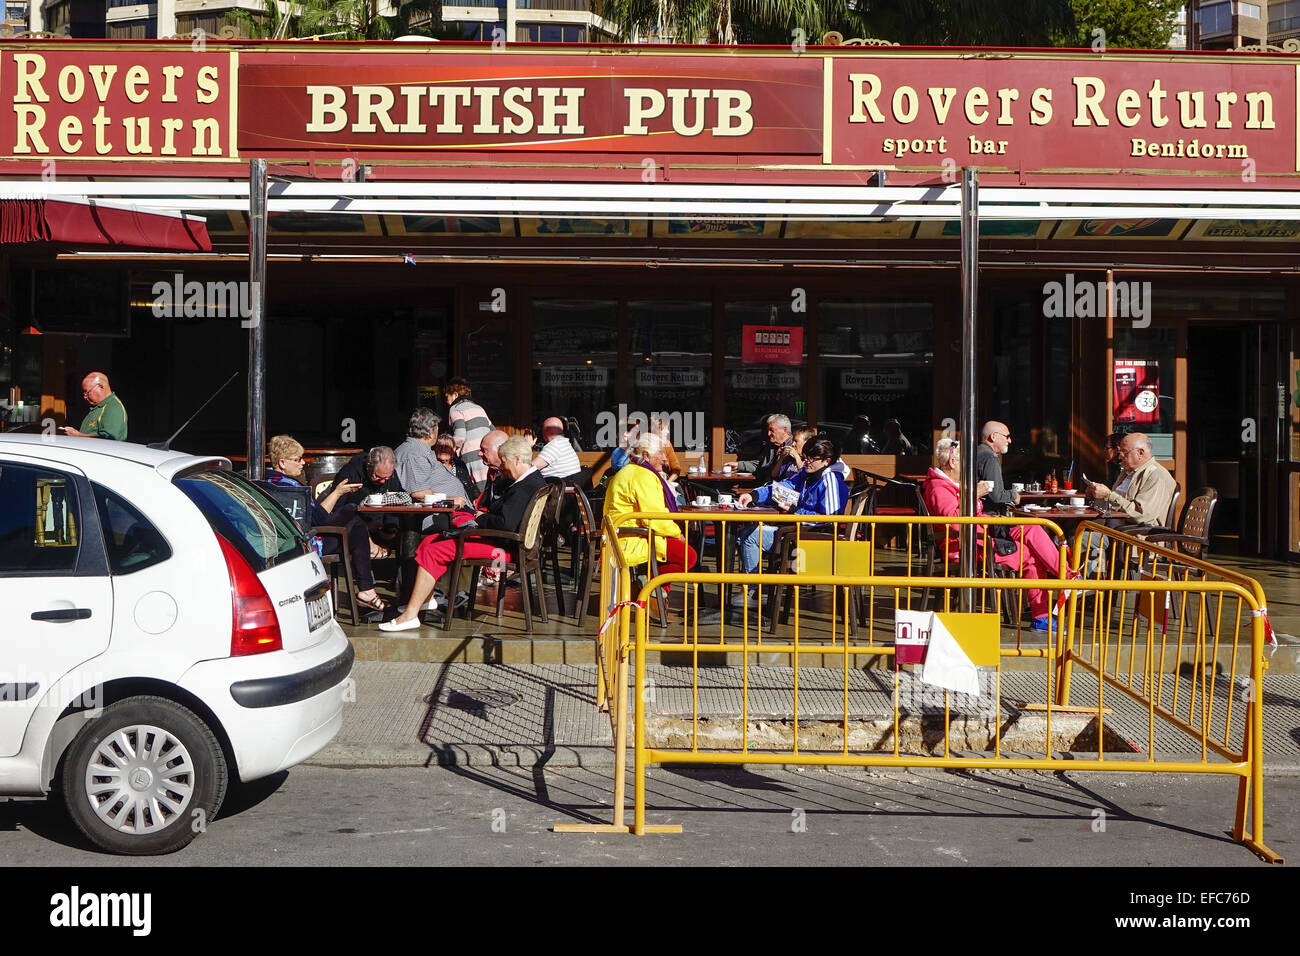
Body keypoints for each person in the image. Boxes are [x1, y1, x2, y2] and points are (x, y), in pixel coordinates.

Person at [380, 436, 545, 631]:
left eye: (505, 462)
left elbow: (505, 524)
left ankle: (410, 615)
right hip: (509, 542)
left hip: (507, 547)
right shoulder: (532, 482)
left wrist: (479, 517)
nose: (503, 467)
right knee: (430, 541)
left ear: (517, 459)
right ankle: (426, 599)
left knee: (435, 549)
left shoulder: (525, 487)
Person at [922, 437, 1062, 631]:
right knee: (1029, 556)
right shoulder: (939, 487)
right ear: (953, 462)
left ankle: (1067, 574)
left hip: (980, 536)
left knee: (1032, 527)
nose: (970, 467)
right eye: (965, 461)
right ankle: (1042, 614)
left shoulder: (948, 484)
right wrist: (974, 496)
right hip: (969, 545)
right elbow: (954, 522)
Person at [266, 435, 389, 613]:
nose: (302, 463)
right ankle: (366, 589)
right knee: (353, 513)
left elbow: (317, 515)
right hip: (306, 543)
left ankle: (367, 590)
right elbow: (320, 520)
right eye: (297, 459)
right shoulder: (295, 489)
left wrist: (338, 492)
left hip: (288, 542)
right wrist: (339, 494)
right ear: (283, 463)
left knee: (356, 528)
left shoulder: (268, 483)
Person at [733, 436, 849, 606]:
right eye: (805, 456)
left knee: (750, 535)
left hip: (815, 544)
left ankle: (753, 593)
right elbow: (782, 488)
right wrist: (754, 495)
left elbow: (830, 521)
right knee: (745, 532)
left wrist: (795, 511)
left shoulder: (830, 480)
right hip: (797, 535)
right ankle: (755, 590)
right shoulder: (807, 474)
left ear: (826, 461)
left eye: (811, 458)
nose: (806, 461)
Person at [602, 432, 698, 619]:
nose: (664, 458)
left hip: (628, 534)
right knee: (689, 556)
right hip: (632, 538)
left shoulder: (631, 471)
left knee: (679, 554)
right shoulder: (642, 475)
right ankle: (651, 589)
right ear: (645, 455)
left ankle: (649, 585)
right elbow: (653, 516)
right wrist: (677, 532)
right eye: (660, 453)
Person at [1085, 432, 1176, 528]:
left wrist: (1109, 495)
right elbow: (1114, 509)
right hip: (1112, 526)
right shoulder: (1128, 472)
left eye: (1124, 452)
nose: (1120, 457)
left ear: (1140, 453)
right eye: (1120, 453)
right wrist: (1097, 496)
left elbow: (1141, 515)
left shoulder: (1156, 475)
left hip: (1132, 537)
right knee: (1074, 526)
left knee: (1074, 536)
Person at [393, 407, 469, 511]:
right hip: (444, 514)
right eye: (437, 430)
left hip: (453, 511)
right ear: (430, 432)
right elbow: (419, 493)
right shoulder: (414, 454)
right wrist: (450, 500)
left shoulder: (419, 450)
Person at [445, 378, 494, 493]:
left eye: (447, 397)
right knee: (485, 491)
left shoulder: (455, 408)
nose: (446, 401)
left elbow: (460, 436)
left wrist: (446, 449)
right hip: (486, 455)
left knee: (475, 493)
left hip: (470, 457)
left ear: (455, 394)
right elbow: (493, 431)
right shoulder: (479, 408)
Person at [734, 413, 797, 485]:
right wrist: (738, 465)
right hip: (765, 486)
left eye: (771, 430)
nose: (768, 433)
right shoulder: (771, 446)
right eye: (768, 430)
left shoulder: (794, 446)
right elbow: (762, 464)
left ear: (784, 430)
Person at [62, 371, 127, 441]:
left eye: (87, 392)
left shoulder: (113, 408)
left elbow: (109, 440)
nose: (84, 396)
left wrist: (78, 435)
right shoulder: (98, 406)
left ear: (101, 386)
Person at [976, 420, 1019, 514]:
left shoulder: (977, 452)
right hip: (988, 519)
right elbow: (996, 496)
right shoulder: (990, 457)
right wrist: (1014, 495)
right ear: (993, 436)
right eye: (1007, 436)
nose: (1009, 441)